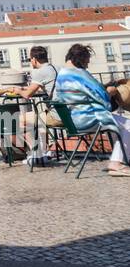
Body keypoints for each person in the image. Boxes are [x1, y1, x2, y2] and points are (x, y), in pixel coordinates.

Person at [53, 44, 130, 178]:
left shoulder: (61, 75)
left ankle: (120, 158)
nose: (87, 65)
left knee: (116, 127)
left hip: (72, 121)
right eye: (86, 61)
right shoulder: (80, 74)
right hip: (90, 119)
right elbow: (102, 98)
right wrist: (110, 92)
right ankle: (116, 163)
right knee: (128, 124)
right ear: (80, 59)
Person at [15, 46, 60, 163]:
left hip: (57, 116)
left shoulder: (39, 72)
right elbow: (46, 86)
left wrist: (18, 90)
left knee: (20, 120)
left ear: (34, 59)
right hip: (68, 112)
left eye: (30, 59)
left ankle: (36, 153)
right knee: (39, 117)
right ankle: (45, 150)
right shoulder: (57, 68)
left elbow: (27, 95)